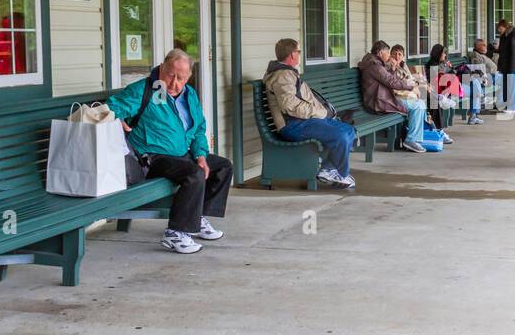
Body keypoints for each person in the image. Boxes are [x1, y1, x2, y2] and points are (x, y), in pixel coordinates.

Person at [108, 48, 233, 255]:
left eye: (181, 78)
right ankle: (175, 233)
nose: (174, 83)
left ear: (189, 77)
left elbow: (199, 129)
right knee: (194, 173)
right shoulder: (146, 90)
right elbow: (112, 107)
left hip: (182, 153)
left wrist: (200, 155)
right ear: (162, 68)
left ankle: (197, 217)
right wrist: (117, 118)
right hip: (152, 157)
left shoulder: (189, 94)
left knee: (222, 167)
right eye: (170, 75)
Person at [263, 38, 356, 191]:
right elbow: (289, 106)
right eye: (298, 52)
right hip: (294, 125)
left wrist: (321, 113)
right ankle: (341, 173)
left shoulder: (288, 73)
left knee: (348, 130)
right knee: (340, 135)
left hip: (304, 121)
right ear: (292, 54)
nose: (299, 54)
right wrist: (317, 113)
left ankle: (328, 169)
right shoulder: (282, 76)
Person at [359, 40, 429, 152]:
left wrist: (392, 69)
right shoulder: (374, 66)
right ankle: (411, 140)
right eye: (388, 52)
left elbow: (387, 80)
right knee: (418, 105)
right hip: (378, 102)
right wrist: (412, 86)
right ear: (381, 53)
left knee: (419, 103)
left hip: (382, 98)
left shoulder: (375, 64)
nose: (389, 56)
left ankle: (413, 138)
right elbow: (392, 82)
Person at [495, 19, 515, 115]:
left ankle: (513, 108)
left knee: (513, 88)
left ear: (505, 26)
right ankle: (509, 106)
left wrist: (511, 70)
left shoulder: (513, 36)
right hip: (506, 66)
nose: (498, 30)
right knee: (508, 87)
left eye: (499, 28)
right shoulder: (504, 36)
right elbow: (503, 51)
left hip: (514, 67)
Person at [464, 39, 499, 123]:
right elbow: (478, 69)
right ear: (478, 46)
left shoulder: (481, 54)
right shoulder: (476, 55)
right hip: (482, 79)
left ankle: (475, 113)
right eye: (483, 45)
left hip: (484, 78)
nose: (485, 46)